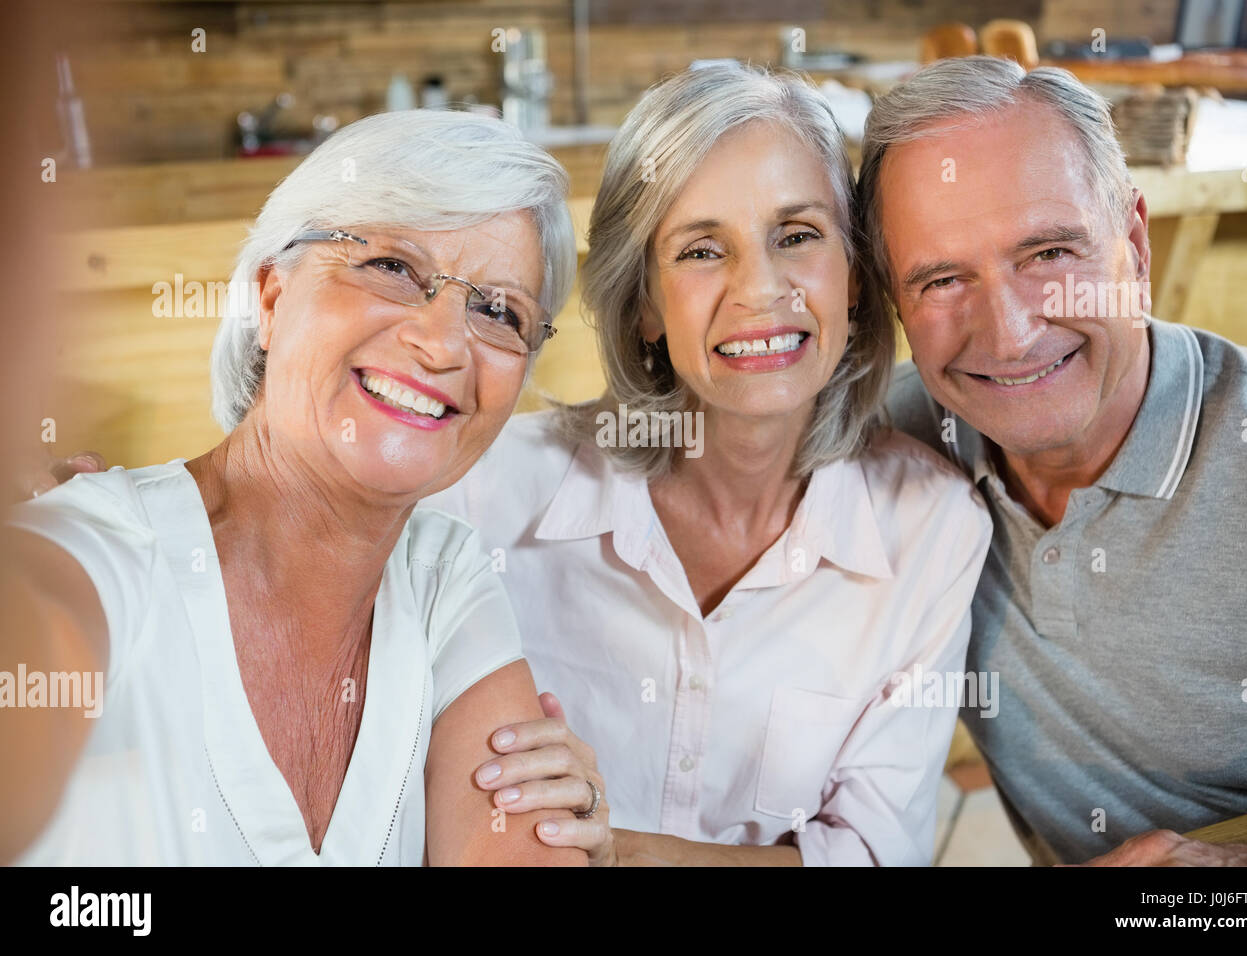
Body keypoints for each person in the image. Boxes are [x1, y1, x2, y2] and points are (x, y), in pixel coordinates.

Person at [427, 64, 994, 865]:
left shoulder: (931, 527)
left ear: (856, 278)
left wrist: (612, 850)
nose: (761, 289)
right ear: (646, 306)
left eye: (797, 236)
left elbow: (873, 857)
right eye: (701, 250)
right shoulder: (480, 491)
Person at [0, 109, 590, 866]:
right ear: (271, 300)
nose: (443, 343)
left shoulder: (445, 576)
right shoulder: (99, 549)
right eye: (392, 267)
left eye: (498, 310)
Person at [862, 56, 1247, 865]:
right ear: (896, 305)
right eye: (942, 279)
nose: (1010, 335)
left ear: (1133, 243)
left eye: (1049, 254)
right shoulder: (894, 445)